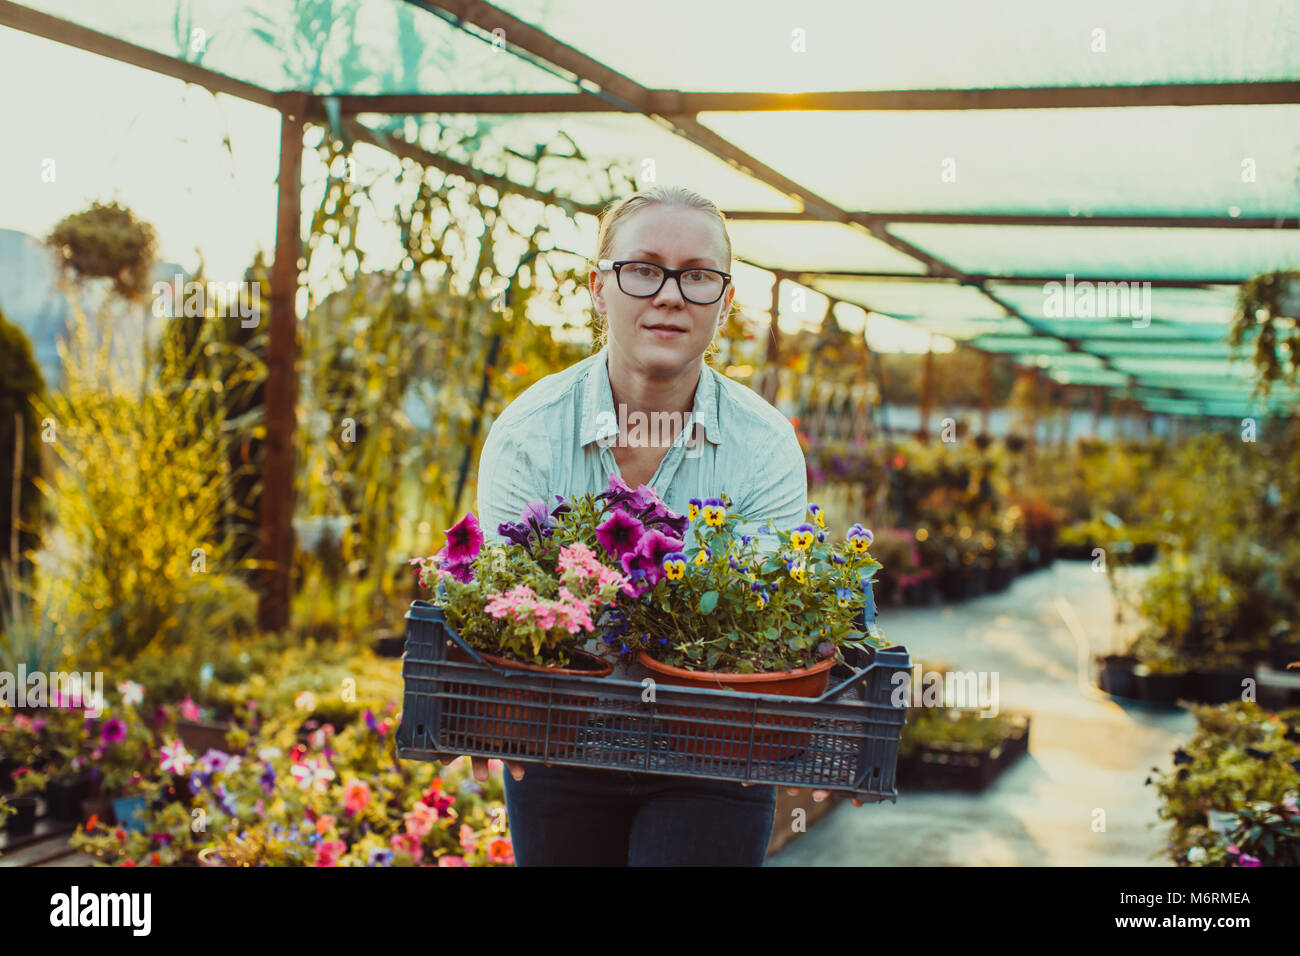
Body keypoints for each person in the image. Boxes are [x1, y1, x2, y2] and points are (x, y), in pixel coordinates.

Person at [469, 184, 850, 866]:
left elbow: (768, 622)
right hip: (561, 742)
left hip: (717, 747)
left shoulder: (761, 444)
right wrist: (483, 701)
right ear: (598, 287)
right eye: (644, 269)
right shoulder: (531, 434)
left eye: (698, 276)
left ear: (726, 301)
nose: (670, 295)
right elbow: (502, 603)